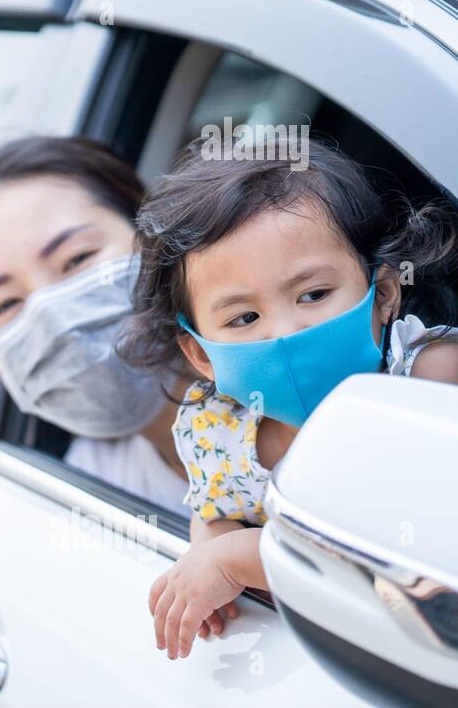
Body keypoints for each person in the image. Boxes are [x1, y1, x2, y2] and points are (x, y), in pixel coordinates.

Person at [119, 135, 458, 660]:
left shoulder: (429, 379)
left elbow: (389, 543)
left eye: (314, 295)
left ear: (383, 294)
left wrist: (238, 558)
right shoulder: (217, 431)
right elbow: (216, 513)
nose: (286, 331)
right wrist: (208, 555)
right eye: (243, 318)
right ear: (202, 355)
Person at [0, 135, 192, 522]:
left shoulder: (295, 400)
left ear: (155, 241)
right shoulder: (85, 492)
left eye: (77, 259)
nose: (55, 320)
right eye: (5, 305)